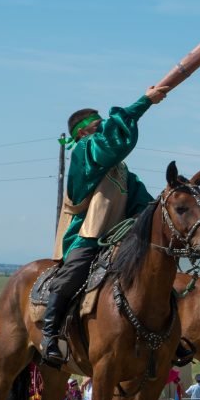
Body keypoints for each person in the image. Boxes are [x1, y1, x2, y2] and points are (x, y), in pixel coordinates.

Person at [41, 84, 171, 365]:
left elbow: (145, 204)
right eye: (99, 126)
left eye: (104, 126)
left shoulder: (122, 171)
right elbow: (113, 139)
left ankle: (170, 334)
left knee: (156, 272)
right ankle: (50, 334)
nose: (104, 130)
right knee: (74, 272)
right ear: (84, 133)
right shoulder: (84, 152)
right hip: (89, 233)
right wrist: (144, 102)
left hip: (122, 236)